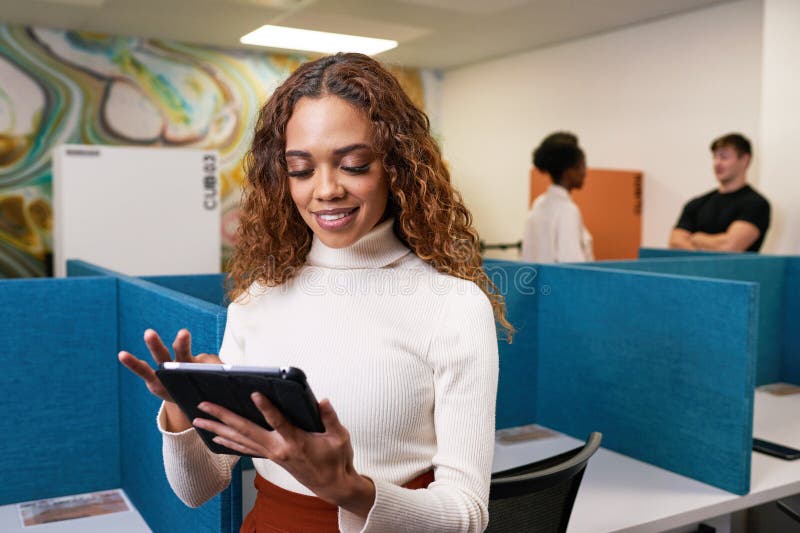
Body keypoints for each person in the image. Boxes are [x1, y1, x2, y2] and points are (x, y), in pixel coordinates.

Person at [118, 52, 512, 533]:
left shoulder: (453, 306)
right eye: (301, 169)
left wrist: (348, 489)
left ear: (396, 166)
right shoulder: (257, 297)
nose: (325, 190)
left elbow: (467, 516)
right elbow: (199, 489)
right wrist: (182, 405)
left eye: (353, 164)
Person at [669, 133, 770, 252]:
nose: (717, 163)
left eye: (724, 157)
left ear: (744, 160)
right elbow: (675, 243)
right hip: (692, 271)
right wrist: (714, 243)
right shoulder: (696, 204)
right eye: (715, 157)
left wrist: (698, 238)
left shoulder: (756, 204)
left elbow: (730, 246)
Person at [520, 132, 594, 263]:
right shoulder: (567, 211)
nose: (585, 172)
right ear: (568, 171)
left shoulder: (539, 204)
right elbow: (573, 267)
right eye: (582, 166)